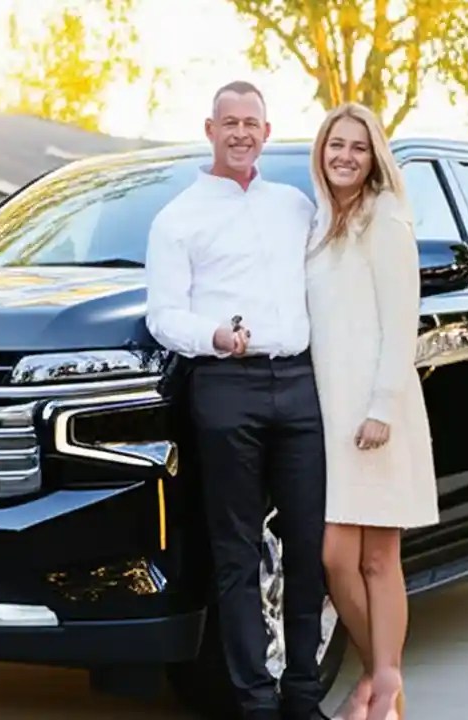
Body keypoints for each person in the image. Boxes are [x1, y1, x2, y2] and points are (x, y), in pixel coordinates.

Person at [145, 80, 328, 720]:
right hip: (226, 387)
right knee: (236, 552)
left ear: (267, 132)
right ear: (210, 129)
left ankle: (303, 695)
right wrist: (216, 337)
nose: (242, 133)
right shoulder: (178, 218)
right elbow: (164, 316)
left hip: (302, 385)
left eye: (253, 122)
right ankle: (255, 702)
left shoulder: (296, 207)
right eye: (230, 123)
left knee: (310, 546)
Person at [305, 103, 440, 720]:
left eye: (359, 148)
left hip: (376, 414)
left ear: (375, 156)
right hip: (331, 416)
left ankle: (381, 687)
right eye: (337, 144)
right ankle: (382, 681)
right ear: (321, 150)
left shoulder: (386, 219)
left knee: (375, 557)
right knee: (337, 557)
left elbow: (401, 322)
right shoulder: (317, 223)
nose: (346, 156)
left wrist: (383, 406)